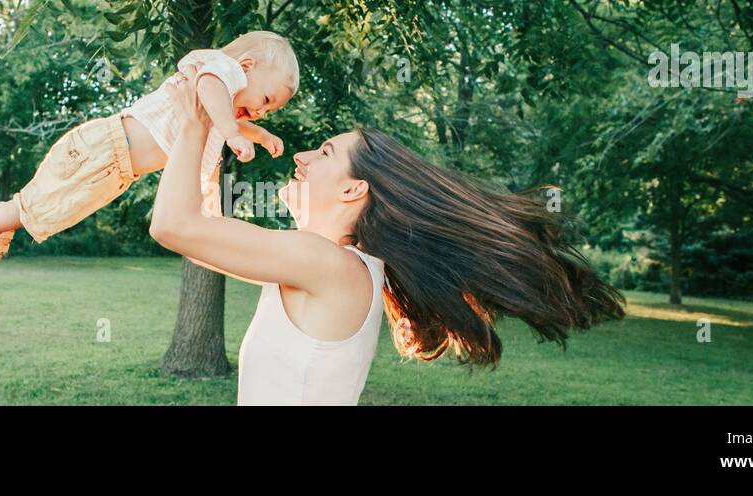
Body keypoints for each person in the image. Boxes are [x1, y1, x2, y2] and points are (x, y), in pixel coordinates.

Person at [148, 66, 626, 405]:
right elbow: (202, 233)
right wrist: (213, 141)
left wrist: (197, 119)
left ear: (355, 188)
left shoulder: (325, 265)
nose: (302, 157)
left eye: (325, 152)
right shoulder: (335, 265)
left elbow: (172, 226)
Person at [0, 31, 298, 273]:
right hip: (106, 147)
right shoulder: (221, 71)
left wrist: (259, 133)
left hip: (118, 168)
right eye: (266, 100)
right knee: (49, 202)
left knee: (59, 210)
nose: (260, 111)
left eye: (269, 112)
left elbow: (231, 116)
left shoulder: (222, 107)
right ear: (247, 65)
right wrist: (231, 133)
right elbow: (211, 87)